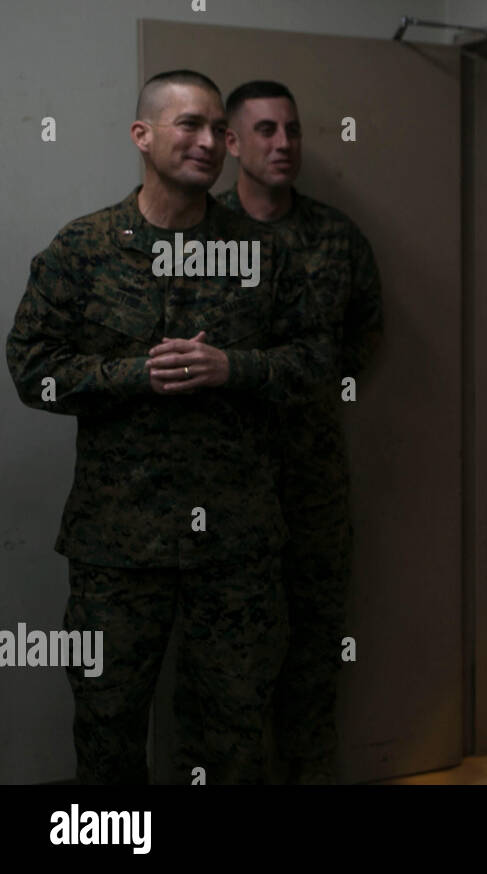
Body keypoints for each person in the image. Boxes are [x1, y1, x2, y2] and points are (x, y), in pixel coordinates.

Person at [5, 70, 335, 784]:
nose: (210, 141)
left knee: (231, 729)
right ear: (143, 135)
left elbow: (318, 365)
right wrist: (133, 376)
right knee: (107, 725)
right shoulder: (85, 249)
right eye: (190, 125)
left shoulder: (264, 255)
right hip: (118, 545)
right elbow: (32, 368)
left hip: (237, 545)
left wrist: (233, 368)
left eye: (219, 128)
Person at [218, 80, 383, 784]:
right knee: (228, 666)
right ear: (231, 143)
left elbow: (360, 337)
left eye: (291, 129)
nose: (283, 144)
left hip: (312, 482)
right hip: (218, 484)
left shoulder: (336, 237)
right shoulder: (200, 234)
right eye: (263, 131)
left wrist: (287, 378)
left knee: (315, 656)